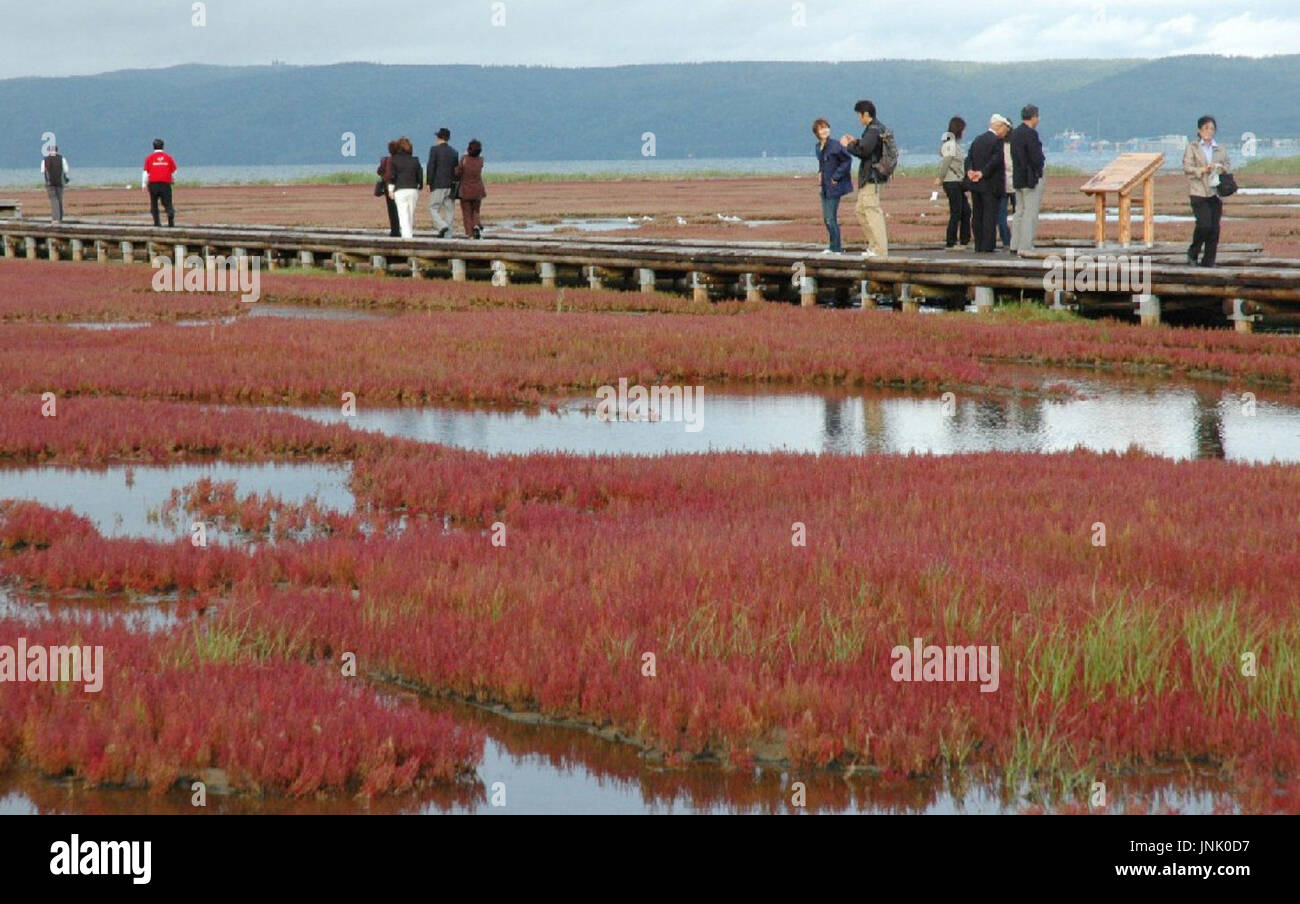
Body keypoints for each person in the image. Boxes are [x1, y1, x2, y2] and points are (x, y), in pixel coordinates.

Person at [839, 99, 889, 258]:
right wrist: (856, 141)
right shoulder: (876, 129)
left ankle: (880, 251)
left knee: (872, 213)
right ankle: (874, 246)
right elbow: (868, 147)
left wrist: (847, 145)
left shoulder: (873, 129)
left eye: (859, 115)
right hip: (869, 178)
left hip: (871, 178)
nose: (858, 119)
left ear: (866, 114)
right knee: (860, 211)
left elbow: (864, 151)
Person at [1183, 115, 1231, 267]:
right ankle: (1193, 252)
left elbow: (1227, 164)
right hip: (1198, 191)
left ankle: (1209, 261)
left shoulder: (1220, 148)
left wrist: (1222, 169)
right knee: (1204, 225)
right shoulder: (1193, 147)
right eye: (1206, 128)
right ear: (1199, 130)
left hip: (1215, 192)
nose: (1209, 132)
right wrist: (1203, 169)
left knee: (1214, 228)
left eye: (1212, 129)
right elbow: (1187, 168)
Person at [965, 114, 1013, 253]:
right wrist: (982, 173)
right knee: (989, 216)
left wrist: (970, 171)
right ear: (998, 126)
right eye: (1006, 128)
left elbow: (969, 158)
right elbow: (996, 161)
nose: (1006, 131)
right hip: (991, 185)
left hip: (976, 184)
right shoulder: (997, 141)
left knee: (977, 214)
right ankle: (988, 245)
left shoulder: (977, 139)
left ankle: (978, 244)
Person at [1010, 104, 1046, 255]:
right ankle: (1025, 246)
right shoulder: (1031, 134)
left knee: (1019, 212)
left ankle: (1015, 243)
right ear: (1033, 117)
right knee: (1030, 213)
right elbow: (1036, 157)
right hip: (1031, 178)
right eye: (1037, 116)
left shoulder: (1015, 133)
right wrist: (1039, 167)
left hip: (1018, 177)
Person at [813, 118, 853, 253]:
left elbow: (847, 160)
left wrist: (836, 177)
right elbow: (822, 163)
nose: (824, 130)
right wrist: (819, 173)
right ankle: (832, 246)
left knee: (831, 218)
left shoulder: (835, 145)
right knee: (826, 218)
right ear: (816, 132)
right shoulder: (818, 147)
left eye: (826, 127)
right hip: (824, 187)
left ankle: (837, 248)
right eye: (821, 128)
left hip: (834, 187)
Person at [936, 117, 970, 248]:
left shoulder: (953, 144)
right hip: (951, 181)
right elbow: (946, 162)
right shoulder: (950, 144)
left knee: (965, 211)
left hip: (957, 181)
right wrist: (940, 177)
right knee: (957, 211)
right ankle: (951, 241)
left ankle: (964, 240)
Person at [386, 136, 423, 239]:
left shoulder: (394, 160)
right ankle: (409, 234)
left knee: (402, 214)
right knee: (410, 214)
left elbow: (392, 176)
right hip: (413, 189)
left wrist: (390, 190)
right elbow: (419, 175)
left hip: (400, 190)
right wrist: (419, 185)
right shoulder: (415, 160)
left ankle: (407, 237)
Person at [426, 128, 459, 238]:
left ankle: (442, 226)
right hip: (451, 184)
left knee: (433, 207)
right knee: (450, 210)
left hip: (438, 184)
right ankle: (448, 235)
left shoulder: (434, 150)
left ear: (439, 138)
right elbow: (456, 170)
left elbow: (431, 167)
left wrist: (429, 183)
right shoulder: (454, 152)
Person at [142, 138, 177, 227]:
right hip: (165, 183)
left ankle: (157, 223)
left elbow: (146, 172)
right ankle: (170, 219)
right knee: (167, 202)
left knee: (154, 204)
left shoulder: (149, 158)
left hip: (153, 183)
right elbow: (174, 171)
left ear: (153, 147)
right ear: (163, 146)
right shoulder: (168, 157)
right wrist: (173, 179)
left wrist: (144, 184)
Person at [455, 139, 486, 239]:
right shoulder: (480, 160)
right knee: (476, 210)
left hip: (466, 190)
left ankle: (469, 233)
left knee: (467, 213)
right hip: (478, 189)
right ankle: (476, 224)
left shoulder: (464, 159)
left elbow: (458, 173)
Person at [41, 145, 70, 223]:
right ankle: (60, 218)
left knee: (54, 200)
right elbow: (66, 170)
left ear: (49, 151)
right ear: (57, 150)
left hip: (50, 183)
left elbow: (43, 171)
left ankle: (55, 218)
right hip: (60, 182)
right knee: (60, 199)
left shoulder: (45, 160)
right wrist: (66, 178)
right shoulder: (62, 159)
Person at [378, 140, 400, 237]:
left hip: (388, 187)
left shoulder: (386, 160)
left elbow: (379, 171)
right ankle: (401, 229)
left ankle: (394, 230)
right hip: (400, 187)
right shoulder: (401, 160)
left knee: (392, 210)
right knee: (401, 209)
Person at [998, 138, 1014, 251]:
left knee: (1001, 215)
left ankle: (1006, 241)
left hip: (1002, 184)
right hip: (1015, 185)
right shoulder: (1015, 146)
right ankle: (1019, 240)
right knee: (1020, 215)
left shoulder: (998, 147)